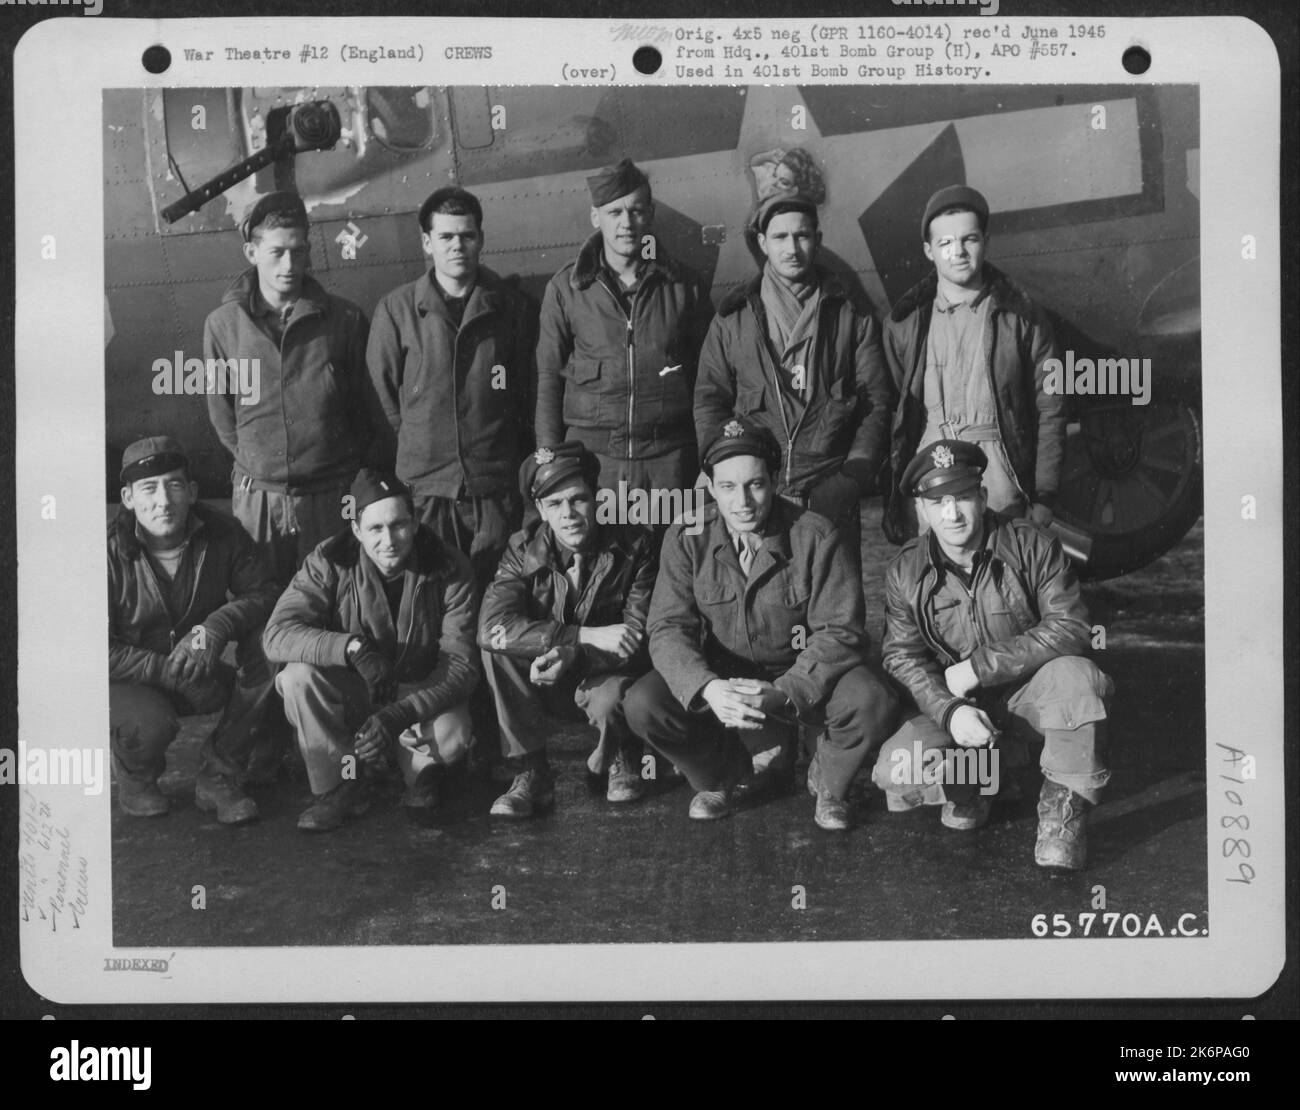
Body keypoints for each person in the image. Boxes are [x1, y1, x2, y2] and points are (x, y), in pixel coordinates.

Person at [624, 420, 898, 830]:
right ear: (711, 488)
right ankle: (718, 777)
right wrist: (706, 687)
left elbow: (841, 631)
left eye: (755, 484)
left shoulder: (816, 535)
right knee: (642, 703)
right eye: (729, 487)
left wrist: (785, 692)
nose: (744, 502)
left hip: (802, 680)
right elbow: (667, 627)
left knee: (871, 698)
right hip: (725, 682)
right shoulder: (686, 536)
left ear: (774, 481)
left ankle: (831, 781)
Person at [872, 440, 1112, 870]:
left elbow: (1072, 626)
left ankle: (1062, 812)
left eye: (963, 497)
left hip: (1028, 696)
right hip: (960, 709)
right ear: (922, 512)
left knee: (1079, 679)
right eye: (938, 502)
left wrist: (979, 667)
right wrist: (948, 712)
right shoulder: (905, 572)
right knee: (896, 770)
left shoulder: (1032, 545)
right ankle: (984, 781)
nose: (953, 513)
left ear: (983, 497)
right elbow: (901, 656)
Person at [262, 469, 479, 831]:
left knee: (453, 737)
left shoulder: (449, 566)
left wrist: (395, 717)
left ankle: (411, 768)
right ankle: (341, 786)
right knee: (298, 677)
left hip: (416, 696)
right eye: (375, 529)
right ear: (357, 530)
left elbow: (460, 666)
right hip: (357, 694)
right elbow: (277, 635)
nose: (389, 540)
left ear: (415, 522)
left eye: (399, 525)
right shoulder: (329, 561)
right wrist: (351, 647)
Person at [695, 190, 892, 561]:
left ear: (817, 239)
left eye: (802, 236)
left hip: (828, 488)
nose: (792, 248)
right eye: (780, 237)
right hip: (756, 490)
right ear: (762, 243)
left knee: (835, 604)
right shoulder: (733, 319)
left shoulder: (850, 314)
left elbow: (875, 400)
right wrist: (719, 465)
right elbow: (710, 399)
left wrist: (854, 475)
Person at [366, 185, 535, 588]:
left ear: (480, 239)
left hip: (493, 490)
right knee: (431, 598)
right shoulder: (397, 310)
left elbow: (527, 392)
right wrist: (423, 449)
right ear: (427, 242)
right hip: (426, 494)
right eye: (445, 236)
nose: (457, 245)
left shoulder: (511, 308)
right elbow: (383, 400)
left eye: (467, 235)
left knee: (499, 596)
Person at [478, 442, 658, 817]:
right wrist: (577, 637)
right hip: (548, 674)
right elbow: (491, 629)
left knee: (616, 695)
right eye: (555, 505)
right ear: (540, 509)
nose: (569, 514)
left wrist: (576, 653)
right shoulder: (521, 551)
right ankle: (531, 770)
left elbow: (639, 634)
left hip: (605, 673)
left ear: (596, 498)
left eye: (578, 500)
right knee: (496, 652)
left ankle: (620, 752)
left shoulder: (636, 545)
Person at [204, 191, 372, 586]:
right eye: (277, 252)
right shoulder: (223, 324)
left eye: (298, 252)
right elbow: (222, 412)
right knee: (261, 607)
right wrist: (263, 465)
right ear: (251, 252)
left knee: (335, 599)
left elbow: (366, 408)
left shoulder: (345, 318)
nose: (289, 264)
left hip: (330, 498)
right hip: (259, 502)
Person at [108, 436, 279, 823]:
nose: (163, 501)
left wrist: (214, 627)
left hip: (197, 669)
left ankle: (219, 773)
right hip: (132, 679)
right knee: (149, 725)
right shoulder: (106, 553)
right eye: (149, 489)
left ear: (193, 491)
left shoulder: (222, 532)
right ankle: (137, 779)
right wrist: (165, 670)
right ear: (129, 497)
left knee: (272, 639)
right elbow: (90, 650)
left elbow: (267, 591)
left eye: (174, 485)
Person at [881, 185, 1064, 544]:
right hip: (930, 473)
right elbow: (893, 410)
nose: (958, 252)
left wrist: (1044, 494)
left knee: (1003, 580)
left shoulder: (1023, 319)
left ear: (985, 241)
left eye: (969, 239)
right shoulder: (904, 324)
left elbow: (1051, 407)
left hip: (998, 474)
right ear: (928, 251)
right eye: (946, 243)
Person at [534, 157, 714, 504]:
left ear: (650, 214)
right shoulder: (566, 290)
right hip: (594, 465)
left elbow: (709, 381)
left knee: (673, 554)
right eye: (615, 213)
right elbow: (548, 380)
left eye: (636, 211)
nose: (627, 223)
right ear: (595, 217)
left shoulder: (684, 286)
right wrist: (549, 464)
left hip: (671, 463)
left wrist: (709, 458)